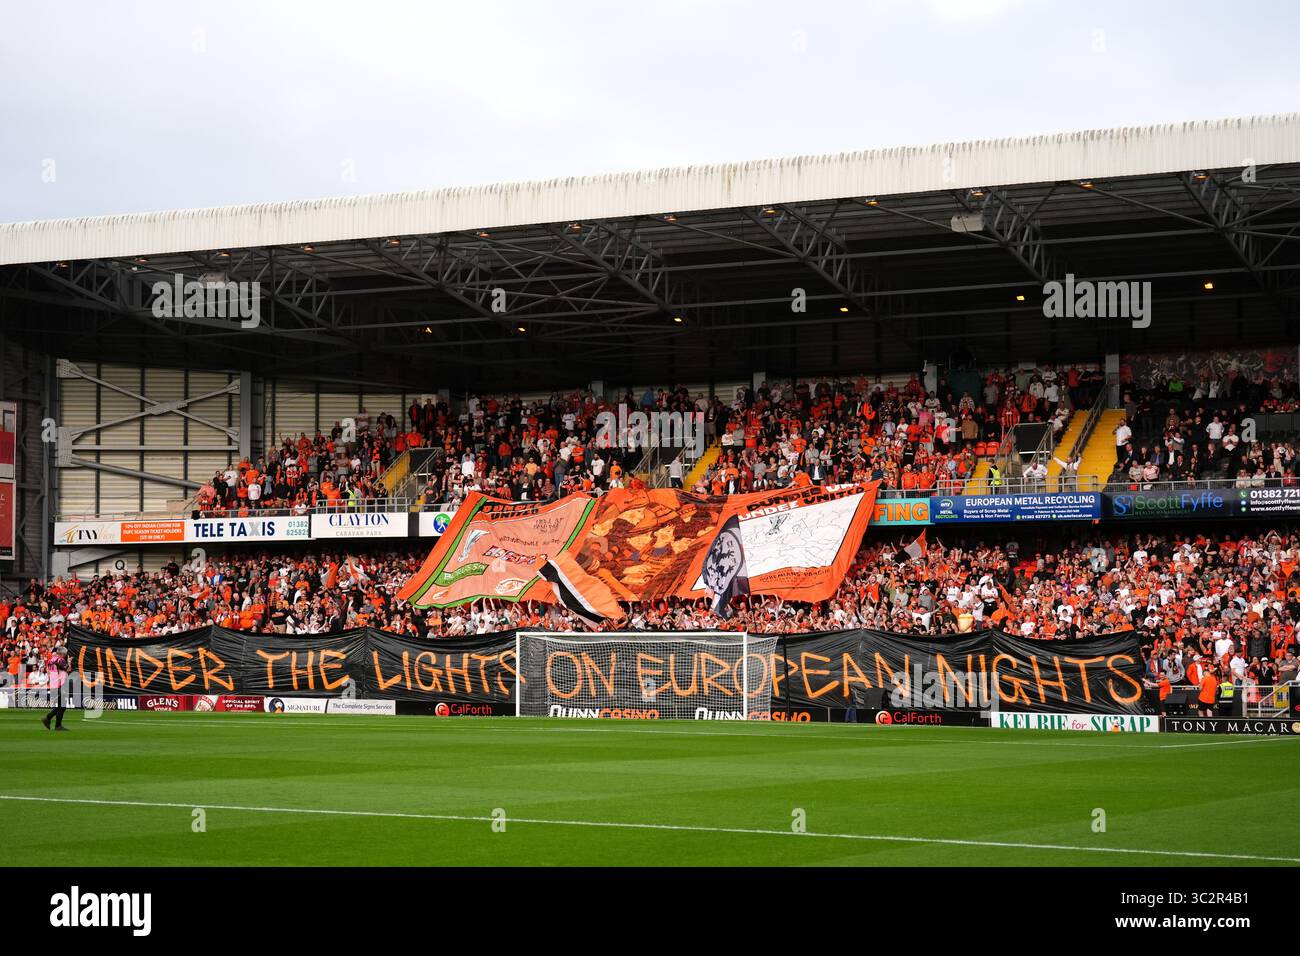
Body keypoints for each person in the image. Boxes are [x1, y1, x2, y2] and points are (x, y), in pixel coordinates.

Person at [42, 642, 70, 731]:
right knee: (62, 706)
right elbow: (68, 669)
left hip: (53, 684)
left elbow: (49, 672)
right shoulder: (60, 660)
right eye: (65, 654)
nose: (65, 655)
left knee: (61, 706)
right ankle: (50, 720)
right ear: (62, 654)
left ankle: (54, 723)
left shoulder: (51, 660)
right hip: (60, 684)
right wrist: (69, 662)